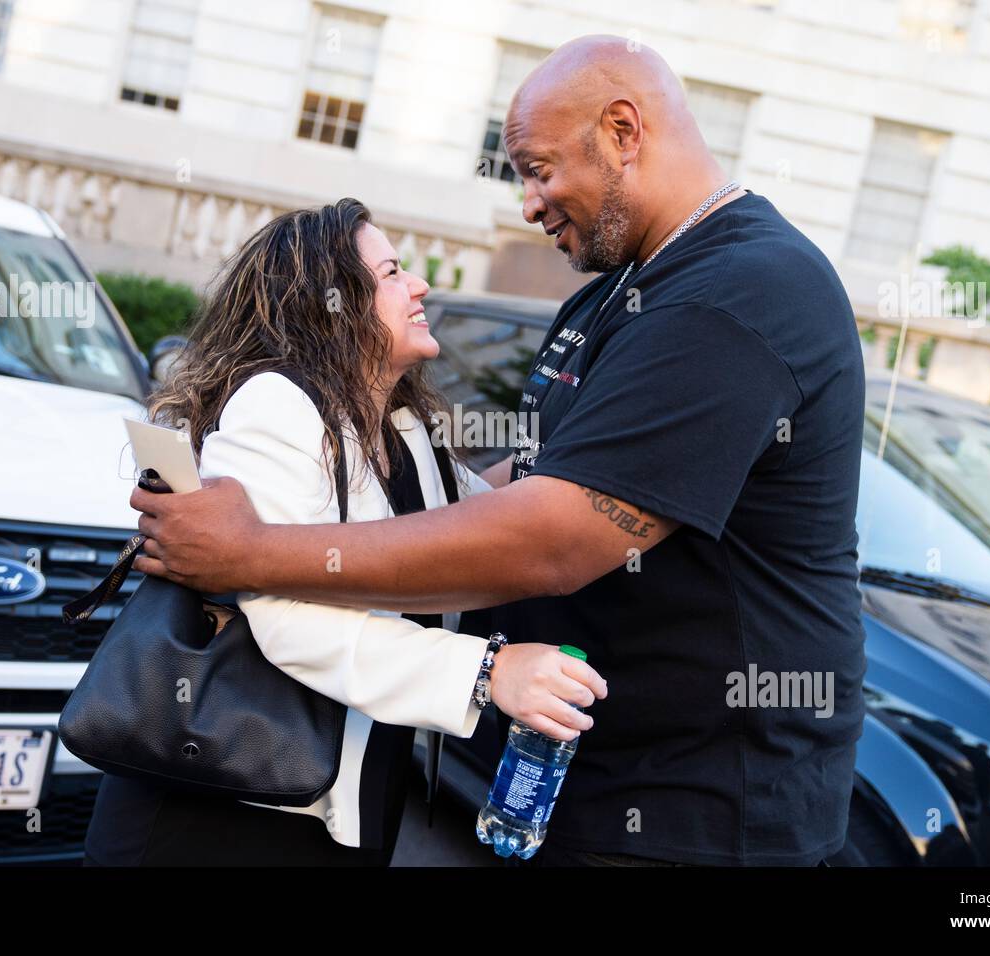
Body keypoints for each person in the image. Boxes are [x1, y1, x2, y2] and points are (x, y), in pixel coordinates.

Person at [130, 35, 867, 867]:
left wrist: (252, 551)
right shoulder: (611, 300)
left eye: (540, 168)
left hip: (695, 807)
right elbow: (533, 479)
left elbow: (557, 533)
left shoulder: (742, 292)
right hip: (567, 775)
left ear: (624, 131)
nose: (527, 202)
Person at [83, 198, 608, 866]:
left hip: (350, 798)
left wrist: (606, 444)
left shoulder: (404, 429)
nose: (419, 287)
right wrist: (488, 674)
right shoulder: (277, 404)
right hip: (228, 808)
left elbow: (492, 521)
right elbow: (287, 621)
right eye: (391, 273)